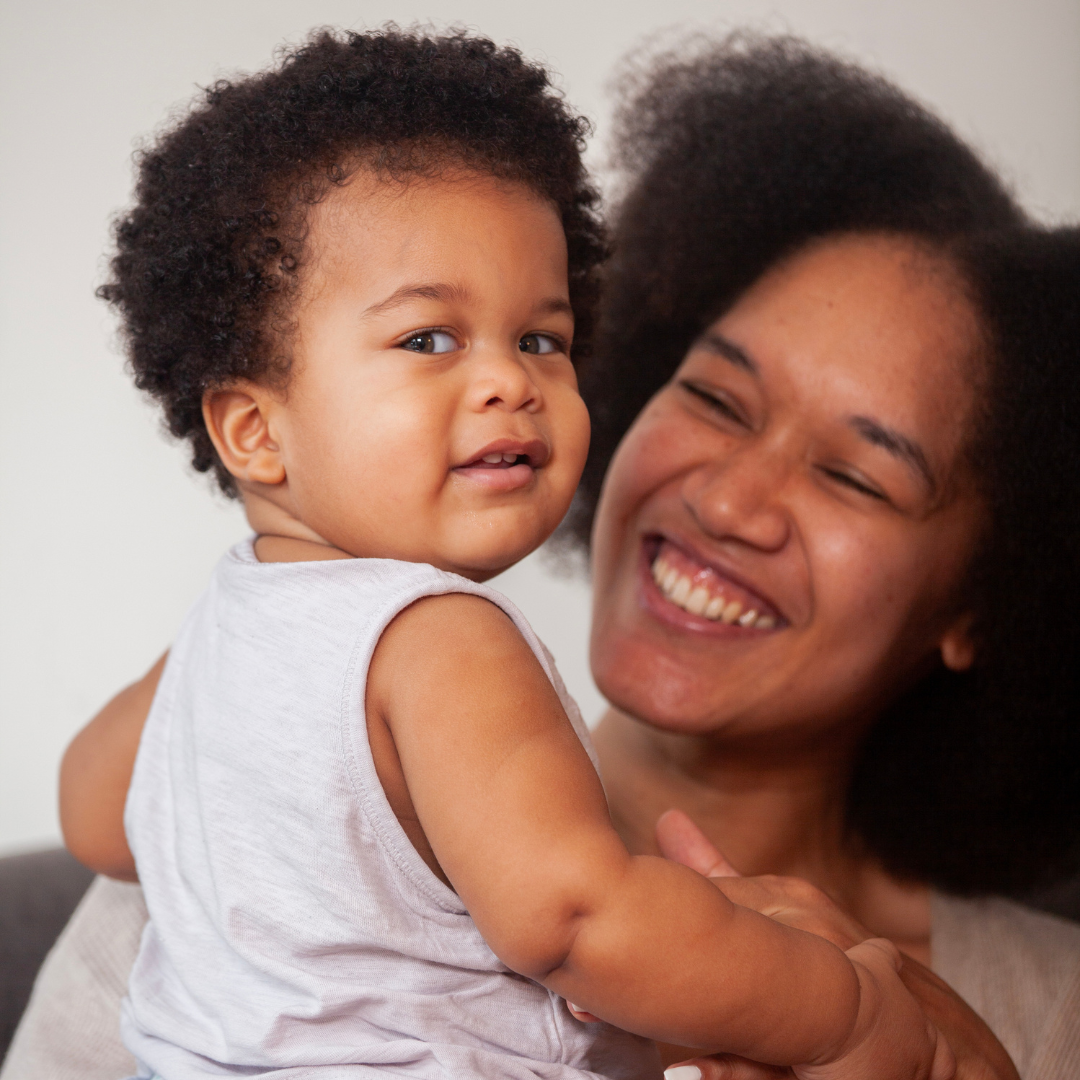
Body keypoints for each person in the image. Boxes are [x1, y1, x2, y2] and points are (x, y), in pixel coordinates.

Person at [5, 32, 1076, 1080]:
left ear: (992, 591)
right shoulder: (432, 650)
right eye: (711, 396)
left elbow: (96, 808)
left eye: (543, 341)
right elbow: (574, 915)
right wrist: (837, 1011)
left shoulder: (219, 671)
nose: (733, 498)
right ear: (252, 428)